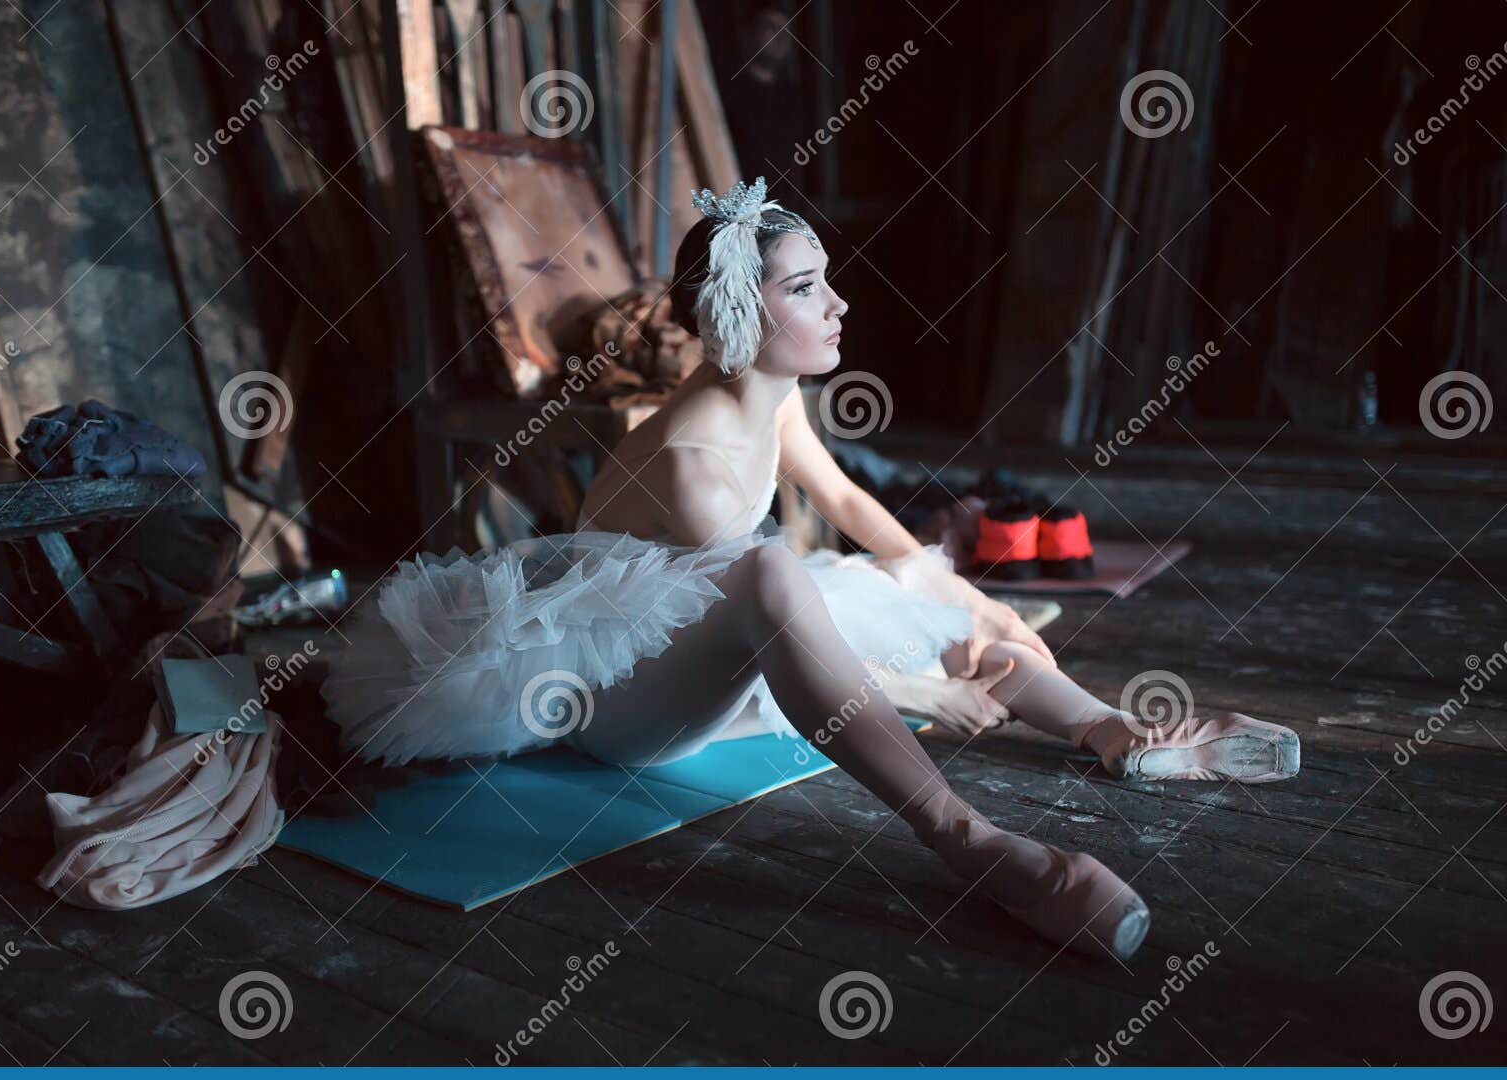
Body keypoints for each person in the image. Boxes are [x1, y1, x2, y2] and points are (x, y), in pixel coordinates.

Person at [322, 176, 1300, 964]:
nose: (839, 303)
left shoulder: (774, 395)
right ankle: (968, 840)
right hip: (625, 697)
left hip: (722, 634)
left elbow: (848, 504)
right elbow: (769, 642)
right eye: (803, 288)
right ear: (737, 315)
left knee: (898, 583)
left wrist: (973, 603)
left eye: (825, 279)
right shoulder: (692, 462)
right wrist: (917, 689)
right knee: (778, 577)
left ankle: (1113, 728)